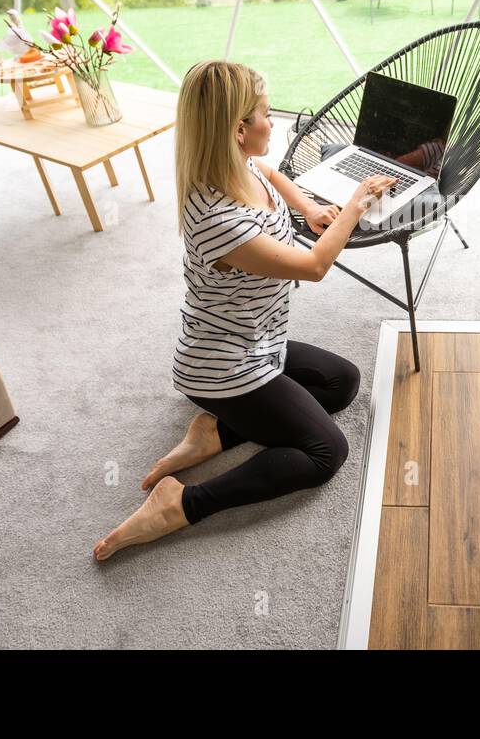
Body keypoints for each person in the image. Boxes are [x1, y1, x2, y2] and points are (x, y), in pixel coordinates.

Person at [94, 61, 396, 561]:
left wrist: (307, 209)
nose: (271, 122)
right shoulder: (219, 219)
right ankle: (183, 503)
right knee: (326, 453)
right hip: (223, 369)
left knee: (341, 382)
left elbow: (272, 173)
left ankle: (216, 431)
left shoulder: (239, 167)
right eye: (263, 114)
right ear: (237, 130)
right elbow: (315, 265)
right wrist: (354, 204)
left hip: (260, 342)